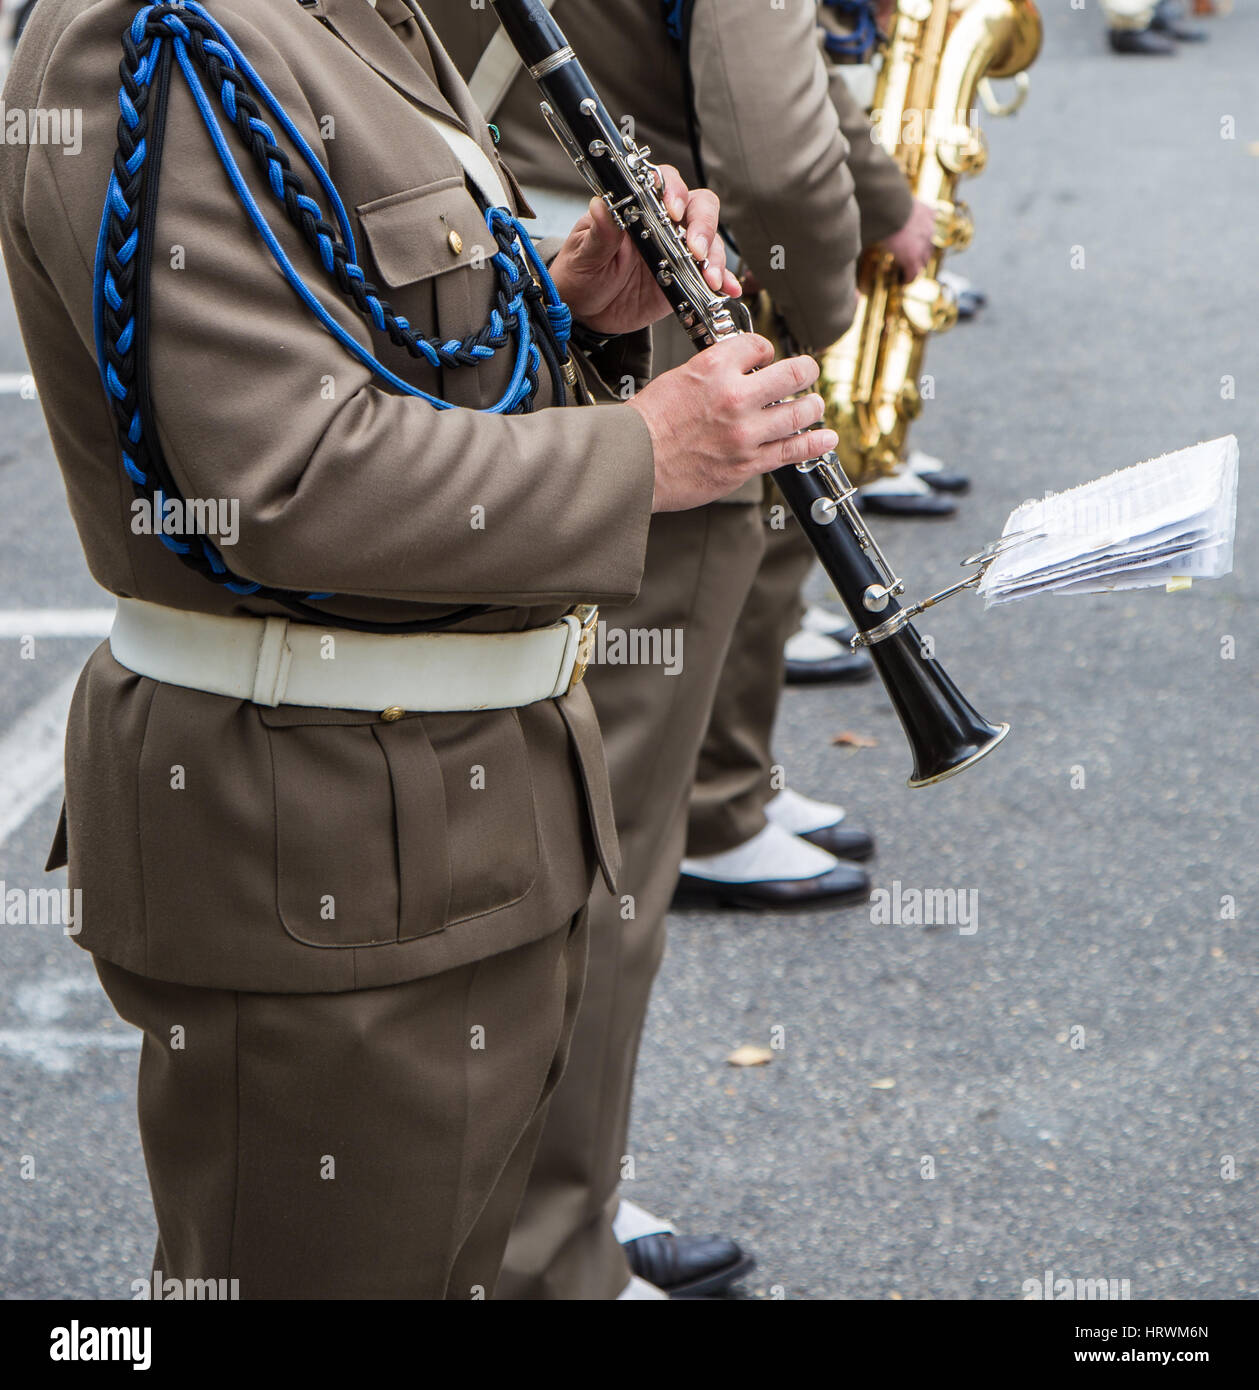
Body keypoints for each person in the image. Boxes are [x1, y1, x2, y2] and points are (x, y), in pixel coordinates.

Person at [0, 0, 828, 1299]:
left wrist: (565, 309)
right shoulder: (155, 29)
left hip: (463, 829)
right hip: (325, 853)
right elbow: (278, 479)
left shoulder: (347, 15)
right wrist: (640, 456)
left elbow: (388, 346)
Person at [432, 0, 874, 1298]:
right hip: (656, 321)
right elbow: (783, 152)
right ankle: (550, 1238)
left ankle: (551, 1214)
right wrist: (825, 309)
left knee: (563, 808)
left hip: (527, 287)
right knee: (605, 833)